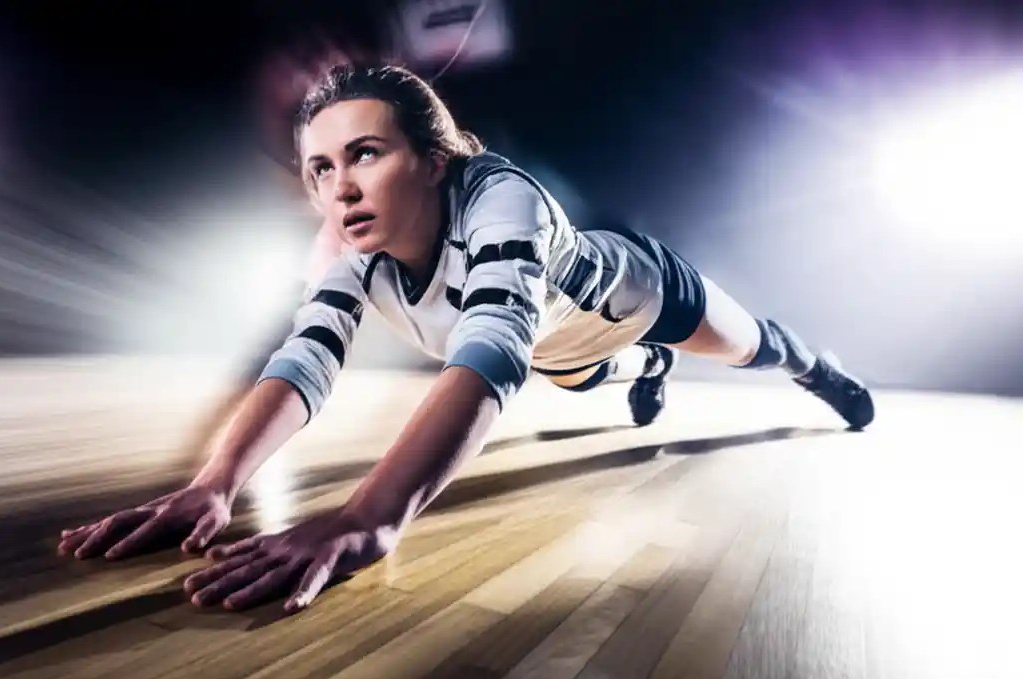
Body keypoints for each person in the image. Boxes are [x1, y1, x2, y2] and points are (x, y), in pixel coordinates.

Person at [58, 65, 874, 614]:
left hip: (642, 295)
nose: (338, 186)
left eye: (365, 154)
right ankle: (642, 367)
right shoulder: (352, 242)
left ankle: (818, 368)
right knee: (586, 373)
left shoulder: (503, 201)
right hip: (562, 349)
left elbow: (489, 355)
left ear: (435, 159)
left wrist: (368, 517)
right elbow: (306, 357)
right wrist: (217, 482)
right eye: (318, 170)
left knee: (749, 347)